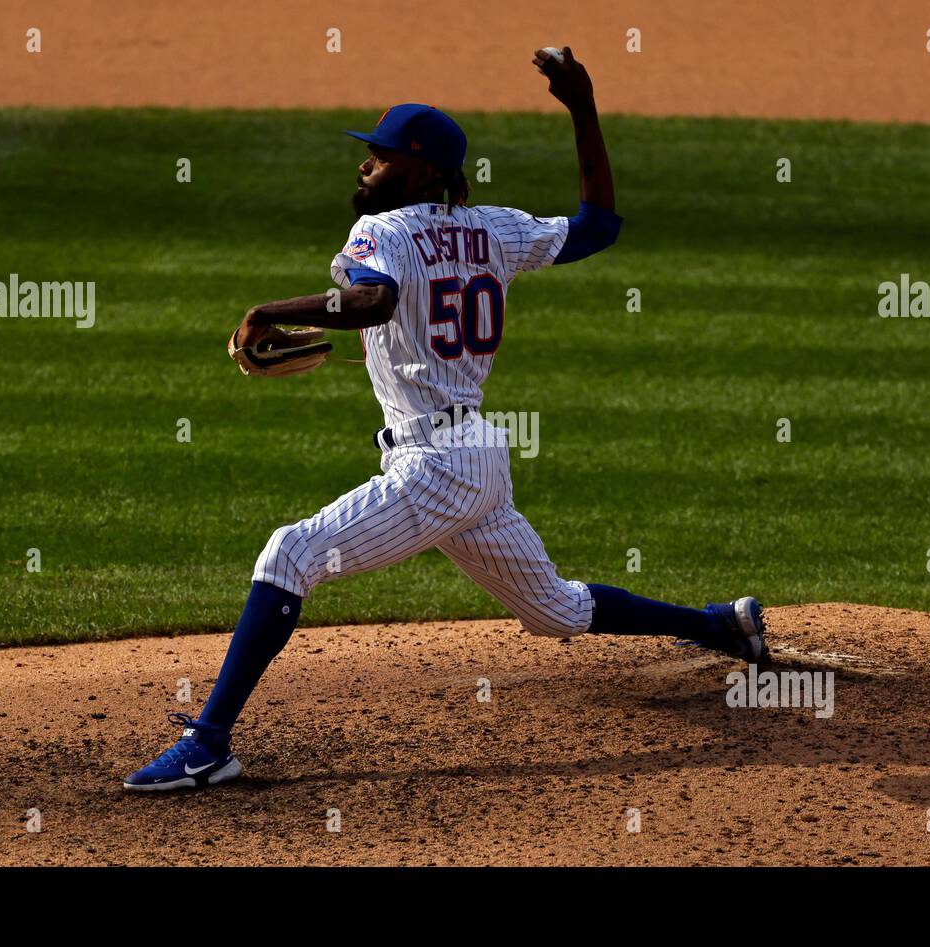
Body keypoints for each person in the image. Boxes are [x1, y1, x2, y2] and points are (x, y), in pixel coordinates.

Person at [124, 47, 765, 791]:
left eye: (383, 155)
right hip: (477, 460)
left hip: (435, 465)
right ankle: (721, 625)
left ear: (424, 170)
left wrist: (266, 310)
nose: (367, 165)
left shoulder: (381, 235)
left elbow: (373, 302)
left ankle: (209, 744)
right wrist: (582, 108)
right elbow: (599, 225)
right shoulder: (496, 228)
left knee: (289, 555)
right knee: (555, 610)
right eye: (368, 153)